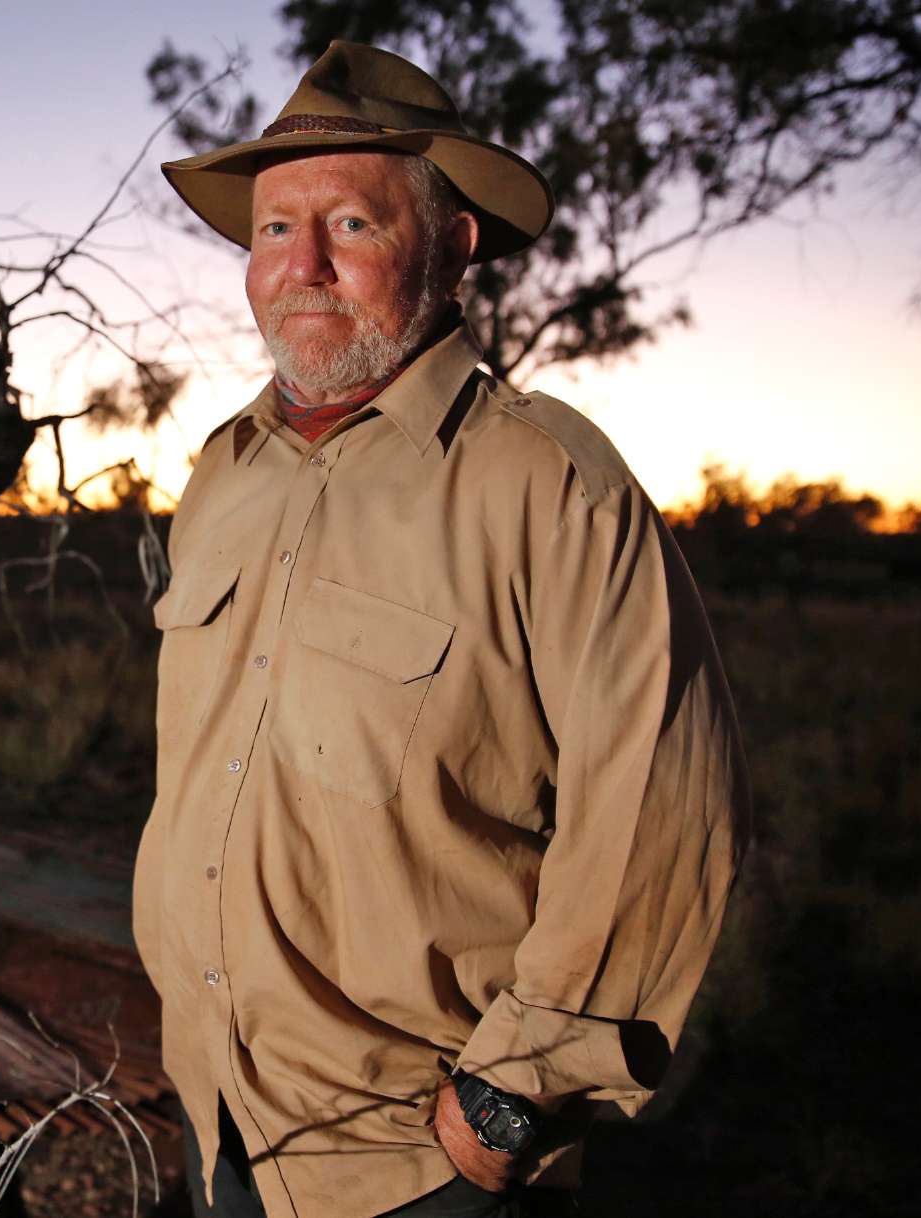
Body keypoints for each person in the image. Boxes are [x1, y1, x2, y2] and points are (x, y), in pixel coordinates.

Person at [131, 41, 751, 1218]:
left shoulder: (547, 482)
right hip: (218, 1115)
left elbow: (662, 817)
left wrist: (509, 1100)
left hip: (421, 1164)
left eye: (351, 226)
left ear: (453, 243)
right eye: (271, 232)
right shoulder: (223, 472)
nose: (300, 266)